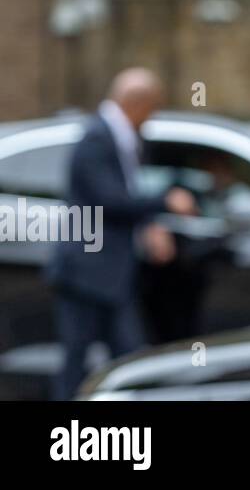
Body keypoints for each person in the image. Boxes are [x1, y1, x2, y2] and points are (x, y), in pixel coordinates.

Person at [46, 67, 197, 399]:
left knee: (128, 356)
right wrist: (165, 201)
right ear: (137, 103)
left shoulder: (126, 139)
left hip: (111, 273)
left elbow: (123, 197)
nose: (152, 118)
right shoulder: (97, 137)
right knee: (78, 361)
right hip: (85, 272)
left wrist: (147, 225)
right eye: (153, 107)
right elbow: (110, 200)